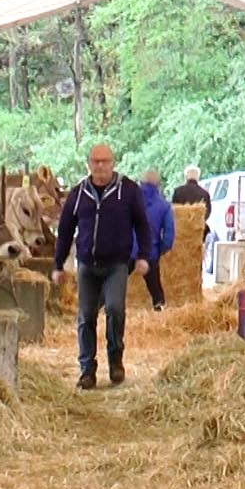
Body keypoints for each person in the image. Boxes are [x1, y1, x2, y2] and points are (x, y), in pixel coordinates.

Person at [54, 144, 152, 390]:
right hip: (87, 265)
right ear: (89, 164)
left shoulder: (128, 191)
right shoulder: (79, 194)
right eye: (95, 161)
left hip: (116, 264)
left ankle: (116, 360)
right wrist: (58, 264)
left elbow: (142, 225)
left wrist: (143, 256)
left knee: (115, 309)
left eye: (104, 161)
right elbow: (65, 231)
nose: (100, 166)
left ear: (113, 163)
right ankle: (87, 370)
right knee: (86, 317)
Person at [137, 170, 176, 311]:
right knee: (156, 291)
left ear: (141, 182)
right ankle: (159, 310)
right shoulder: (164, 205)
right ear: (158, 185)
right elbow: (169, 235)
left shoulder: (129, 200)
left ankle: (96, 309)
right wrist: (160, 249)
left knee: (114, 285)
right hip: (149, 252)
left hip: (127, 250)